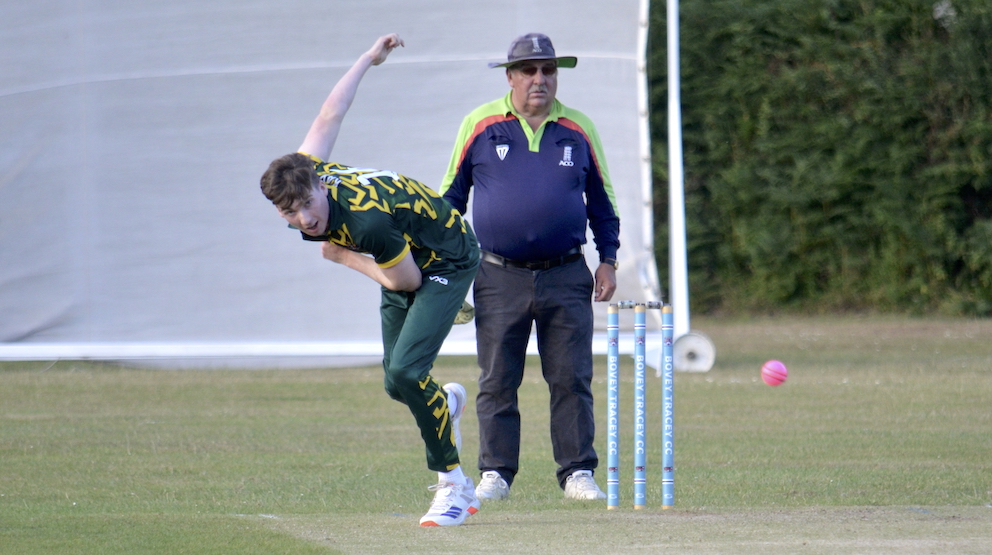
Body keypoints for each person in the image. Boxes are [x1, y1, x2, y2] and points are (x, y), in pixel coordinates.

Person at [259, 34, 481, 527]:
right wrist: (367, 60)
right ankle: (446, 404)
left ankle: (455, 487)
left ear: (320, 185)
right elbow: (329, 115)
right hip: (403, 256)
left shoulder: (366, 224)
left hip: (445, 258)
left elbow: (404, 282)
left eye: (307, 205)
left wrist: (341, 256)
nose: (304, 219)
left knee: (407, 372)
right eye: (289, 213)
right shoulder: (303, 170)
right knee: (395, 383)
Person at [439, 33, 620, 502]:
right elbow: (449, 200)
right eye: (529, 70)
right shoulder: (480, 124)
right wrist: (443, 262)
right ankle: (495, 474)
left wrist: (608, 259)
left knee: (571, 377)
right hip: (498, 273)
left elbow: (602, 201)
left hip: (566, 272)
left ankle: (578, 472)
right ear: (511, 76)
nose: (539, 79)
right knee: (498, 378)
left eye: (548, 70)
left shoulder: (578, 128)